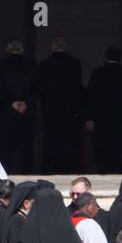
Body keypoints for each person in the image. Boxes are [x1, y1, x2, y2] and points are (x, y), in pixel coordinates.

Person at [38, 36, 85, 173]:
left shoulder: (45, 64)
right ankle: (69, 169)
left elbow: (42, 89)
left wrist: (44, 107)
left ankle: (52, 169)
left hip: (51, 111)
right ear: (65, 47)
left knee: (52, 144)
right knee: (69, 144)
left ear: (52, 47)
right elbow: (77, 88)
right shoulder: (75, 63)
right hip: (69, 111)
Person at [0, 39, 38, 172]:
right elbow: (37, 89)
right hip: (26, 113)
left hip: (7, 114)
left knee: (5, 151)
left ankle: (5, 182)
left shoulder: (0, 65)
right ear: (21, 49)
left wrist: (12, 103)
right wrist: (26, 102)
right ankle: (28, 180)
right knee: (27, 151)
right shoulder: (32, 65)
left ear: (8, 49)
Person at [87, 47, 122, 173]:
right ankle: (117, 171)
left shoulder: (97, 73)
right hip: (120, 118)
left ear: (106, 57)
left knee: (101, 148)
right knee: (117, 150)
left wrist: (89, 117)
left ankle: (103, 170)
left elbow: (90, 96)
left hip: (100, 118)